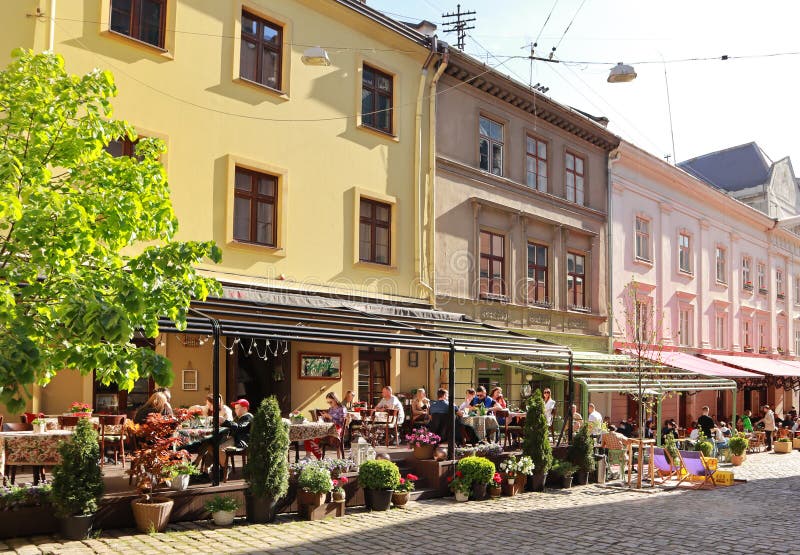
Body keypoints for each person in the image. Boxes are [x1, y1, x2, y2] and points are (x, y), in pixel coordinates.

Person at [305, 392, 346, 459]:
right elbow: (328, 421)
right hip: (328, 428)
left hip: (336, 430)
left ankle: (317, 453)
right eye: (328, 402)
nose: (329, 404)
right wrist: (324, 417)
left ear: (335, 399)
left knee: (315, 437)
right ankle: (309, 456)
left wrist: (330, 417)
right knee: (308, 435)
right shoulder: (330, 409)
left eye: (330, 402)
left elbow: (341, 423)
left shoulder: (342, 408)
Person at [219, 399, 254, 475]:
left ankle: (225, 468)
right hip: (236, 439)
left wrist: (224, 422)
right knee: (212, 445)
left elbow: (239, 427)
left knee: (219, 448)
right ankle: (221, 467)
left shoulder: (247, 417)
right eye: (235, 408)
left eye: (237, 408)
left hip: (241, 441)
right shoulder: (239, 417)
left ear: (245, 408)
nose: (235, 410)